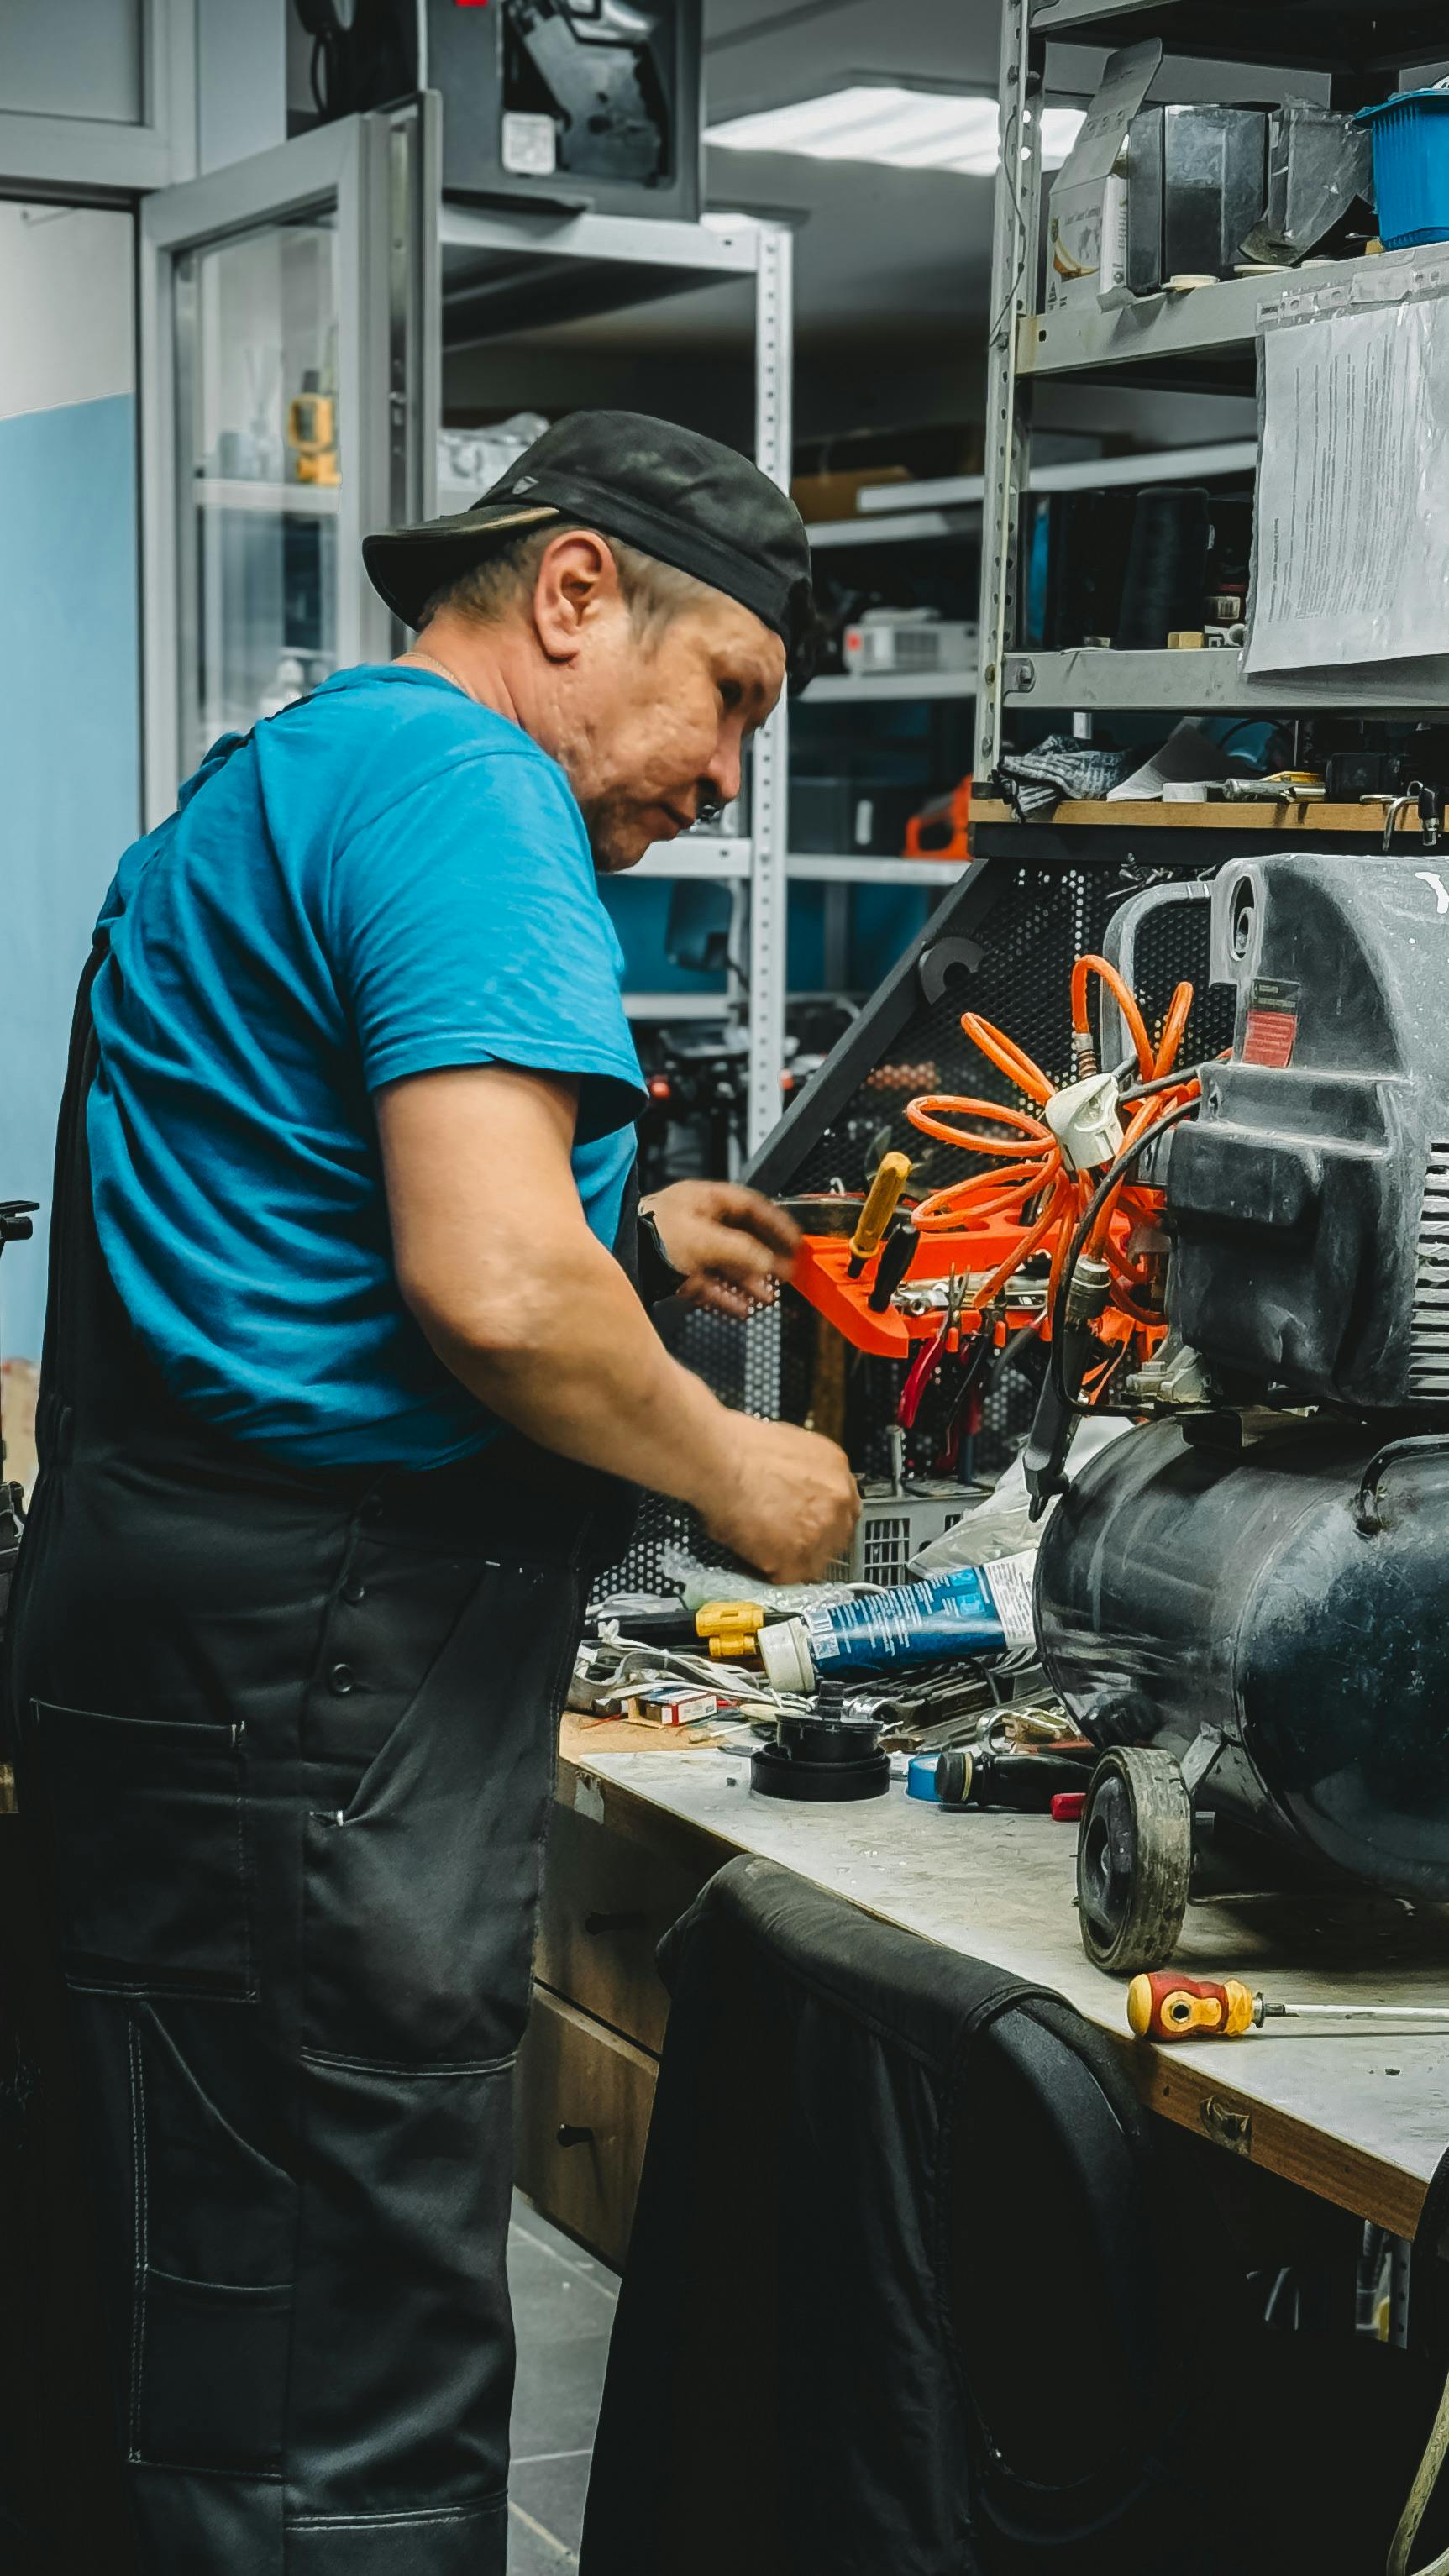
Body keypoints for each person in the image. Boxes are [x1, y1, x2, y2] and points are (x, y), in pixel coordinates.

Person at [0, 411, 859, 2574]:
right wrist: (741, 1472)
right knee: (337, 2382)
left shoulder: (295, 769)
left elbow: (294, 1197)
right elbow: (490, 1292)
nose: (728, 772)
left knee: (172, 2313)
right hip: (319, 1698)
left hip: (173, 1651)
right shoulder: (477, 790)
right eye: (730, 695)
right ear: (574, 594)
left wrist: (625, 1228)